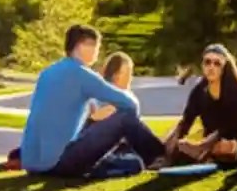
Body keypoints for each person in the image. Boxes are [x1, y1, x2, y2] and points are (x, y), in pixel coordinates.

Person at [19, 24, 166, 177]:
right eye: (96, 47)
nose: (97, 53)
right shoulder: (82, 74)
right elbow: (130, 105)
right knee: (125, 119)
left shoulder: (47, 73)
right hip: (58, 164)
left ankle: (111, 166)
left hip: (32, 164)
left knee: (130, 163)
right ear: (83, 46)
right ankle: (159, 157)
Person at [163, 44, 237, 164]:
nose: (211, 67)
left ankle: (204, 152)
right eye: (207, 62)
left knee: (224, 148)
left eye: (217, 63)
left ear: (225, 67)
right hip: (210, 144)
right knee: (178, 147)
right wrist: (173, 140)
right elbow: (186, 121)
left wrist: (208, 144)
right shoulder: (199, 91)